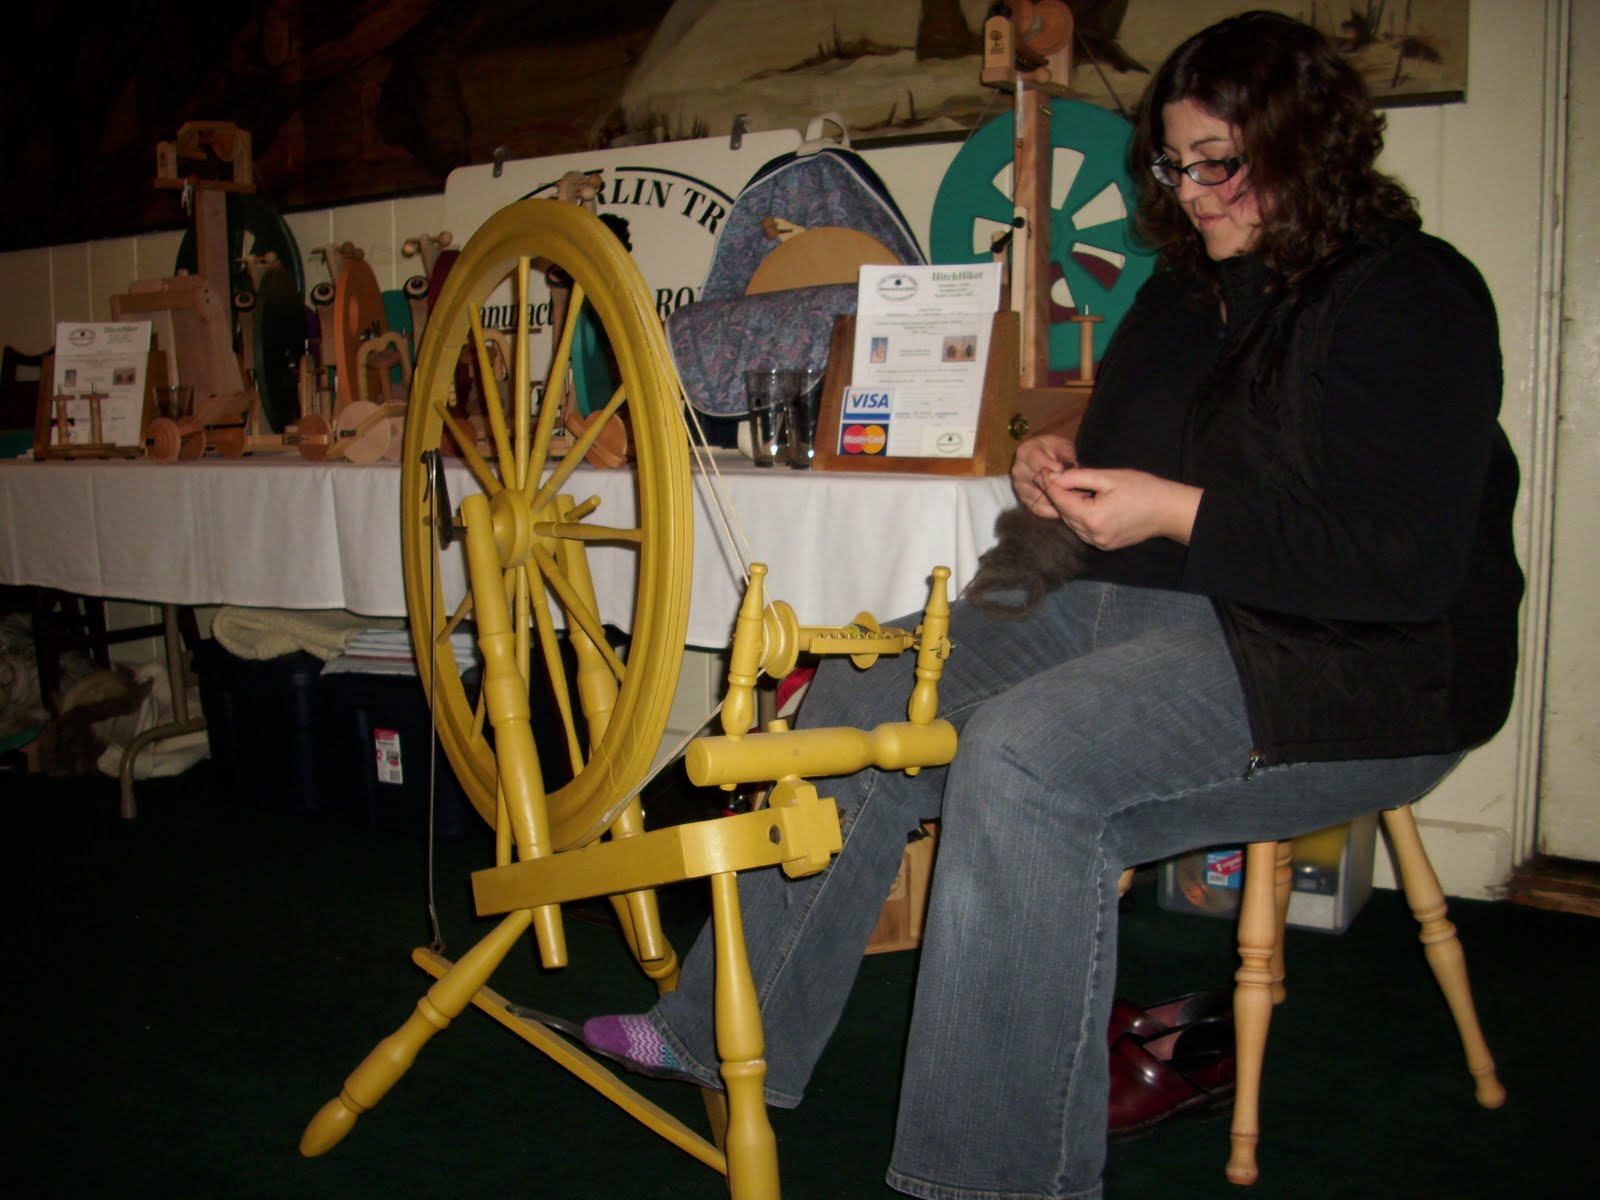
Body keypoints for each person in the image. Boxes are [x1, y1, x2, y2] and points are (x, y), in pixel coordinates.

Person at [584, 10, 1523, 1199]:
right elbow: (1121, 475)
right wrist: (1059, 469)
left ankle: (990, 1180)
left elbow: (1402, 562)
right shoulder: (1189, 293)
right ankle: (724, 1036)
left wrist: (1174, 511)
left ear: (1312, 140)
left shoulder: (1413, 294)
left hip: (1352, 659)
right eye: (1173, 167)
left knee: (1027, 766)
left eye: (1217, 162)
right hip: (1154, 613)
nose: (1190, 194)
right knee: (863, 688)